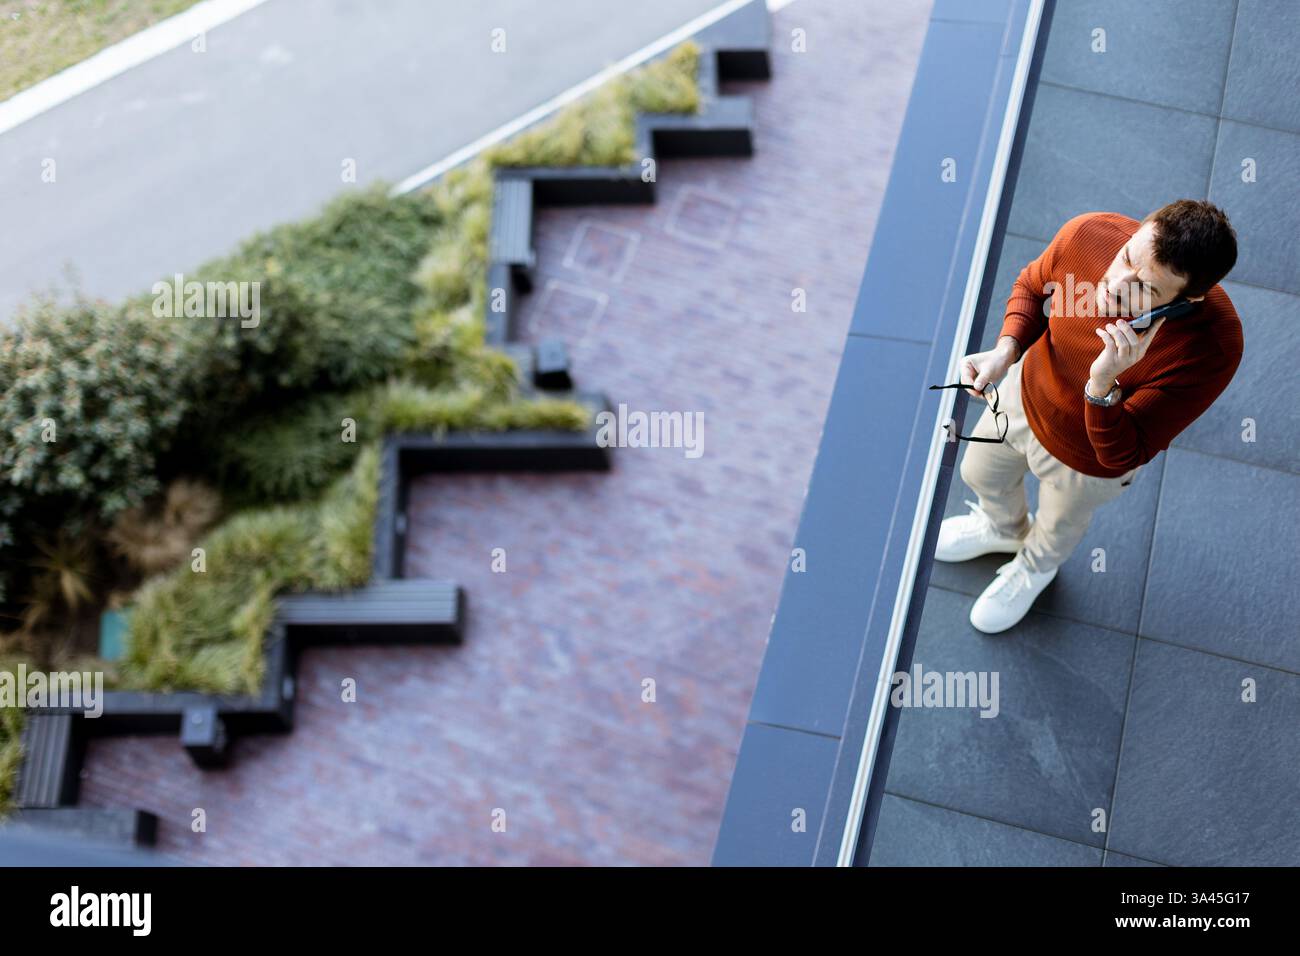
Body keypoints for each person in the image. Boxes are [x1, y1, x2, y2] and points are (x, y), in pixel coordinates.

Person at [936, 200, 1242, 633]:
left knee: (1057, 528)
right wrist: (1007, 349)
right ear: (1137, 232)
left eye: (1146, 289)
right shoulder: (1088, 234)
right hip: (1022, 395)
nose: (1116, 284)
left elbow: (1125, 452)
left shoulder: (1212, 349)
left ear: (1186, 300)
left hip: (1086, 460)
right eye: (1127, 257)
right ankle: (1002, 528)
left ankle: (1035, 569)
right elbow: (1033, 284)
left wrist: (1102, 386)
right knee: (979, 474)